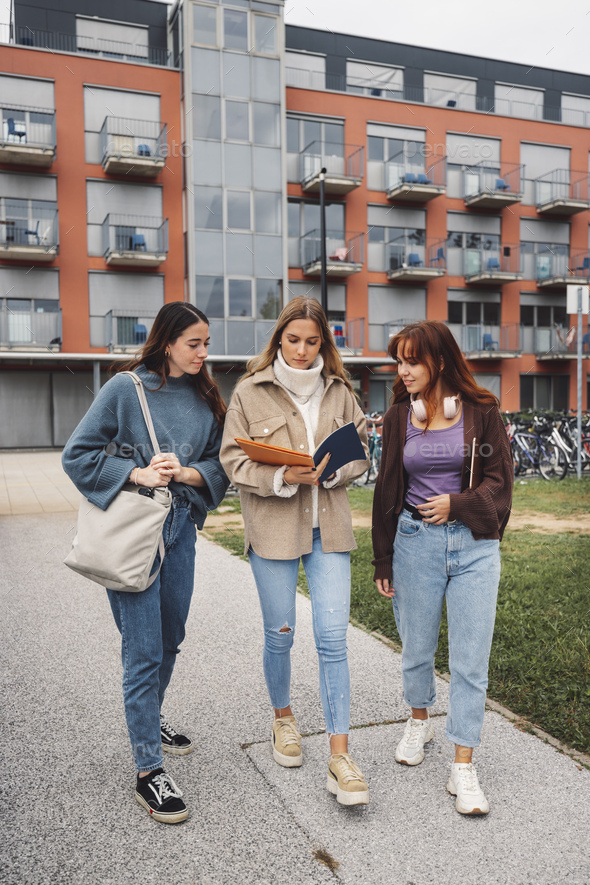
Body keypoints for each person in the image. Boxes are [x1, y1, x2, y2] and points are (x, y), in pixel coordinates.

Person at [62, 302, 229, 824]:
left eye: (206, 343)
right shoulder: (125, 389)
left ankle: (148, 718)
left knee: (172, 636)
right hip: (136, 535)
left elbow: (218, 465)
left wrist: (184, 473)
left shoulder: (206, 398)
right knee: (142, 651)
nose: (204, 353)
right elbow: (78, 454)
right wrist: (138, 475)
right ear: (167, 342)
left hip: (181, 536)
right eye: (194, 343)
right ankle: (148, 771)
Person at [220, 296, 371, 806]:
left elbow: (362, 455)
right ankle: (283, 720)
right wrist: (283, 475)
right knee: (280, 634)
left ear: (323, 341)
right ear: (278, 339)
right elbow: (232, 462)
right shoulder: (249, 391)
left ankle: (340, 756)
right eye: (293, 340)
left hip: (329, 530)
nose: (303, 351)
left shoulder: (340, 392)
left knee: (333, 639)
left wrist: (335, 470)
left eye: (312, 341)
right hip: (274, 529)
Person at [371, 320, 513, 815]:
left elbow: (499, 481)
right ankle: (418, 719)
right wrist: (383, 555)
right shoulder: (398, 417)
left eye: (413, 361)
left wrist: (459, 504)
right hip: (414, 544)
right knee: (416, 649)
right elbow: (386, 488)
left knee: (471, 661)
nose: (403, 370)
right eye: (399, 361)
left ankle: (463, 765)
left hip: (474, 547)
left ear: (440, 361)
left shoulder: (482, 411)